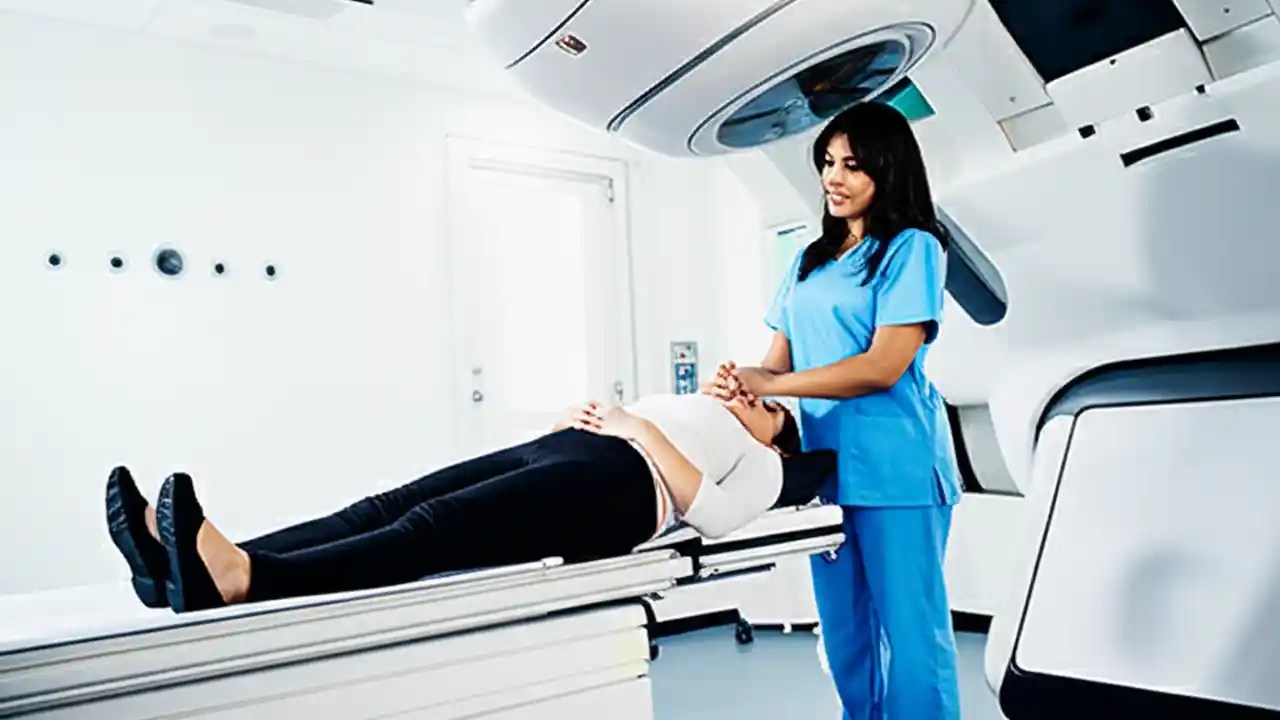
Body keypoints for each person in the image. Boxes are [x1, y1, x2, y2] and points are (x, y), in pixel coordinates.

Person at [709, 102, 963, 719]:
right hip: (827, 473)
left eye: (853, 165)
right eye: (827, 162)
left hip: (897, 469)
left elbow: (882, 366)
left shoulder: (912, 248)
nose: (834, 177)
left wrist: (775, 380)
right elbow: (775, 362)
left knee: (911, 636)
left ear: (888, 170)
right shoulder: (806, 259)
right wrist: (742, 390)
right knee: (846, 637)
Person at [105, 392, 800, 614]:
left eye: (768, 404)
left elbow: (710, 515)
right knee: (382, 506)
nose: (747, 398)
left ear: (782, 435)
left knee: (430, 531)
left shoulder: (764, 463)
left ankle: (246, 580)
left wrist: (639, 429)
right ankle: (183, 563)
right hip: (571, 450)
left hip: (618, 488)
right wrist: (581, 419)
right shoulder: (708, 405)